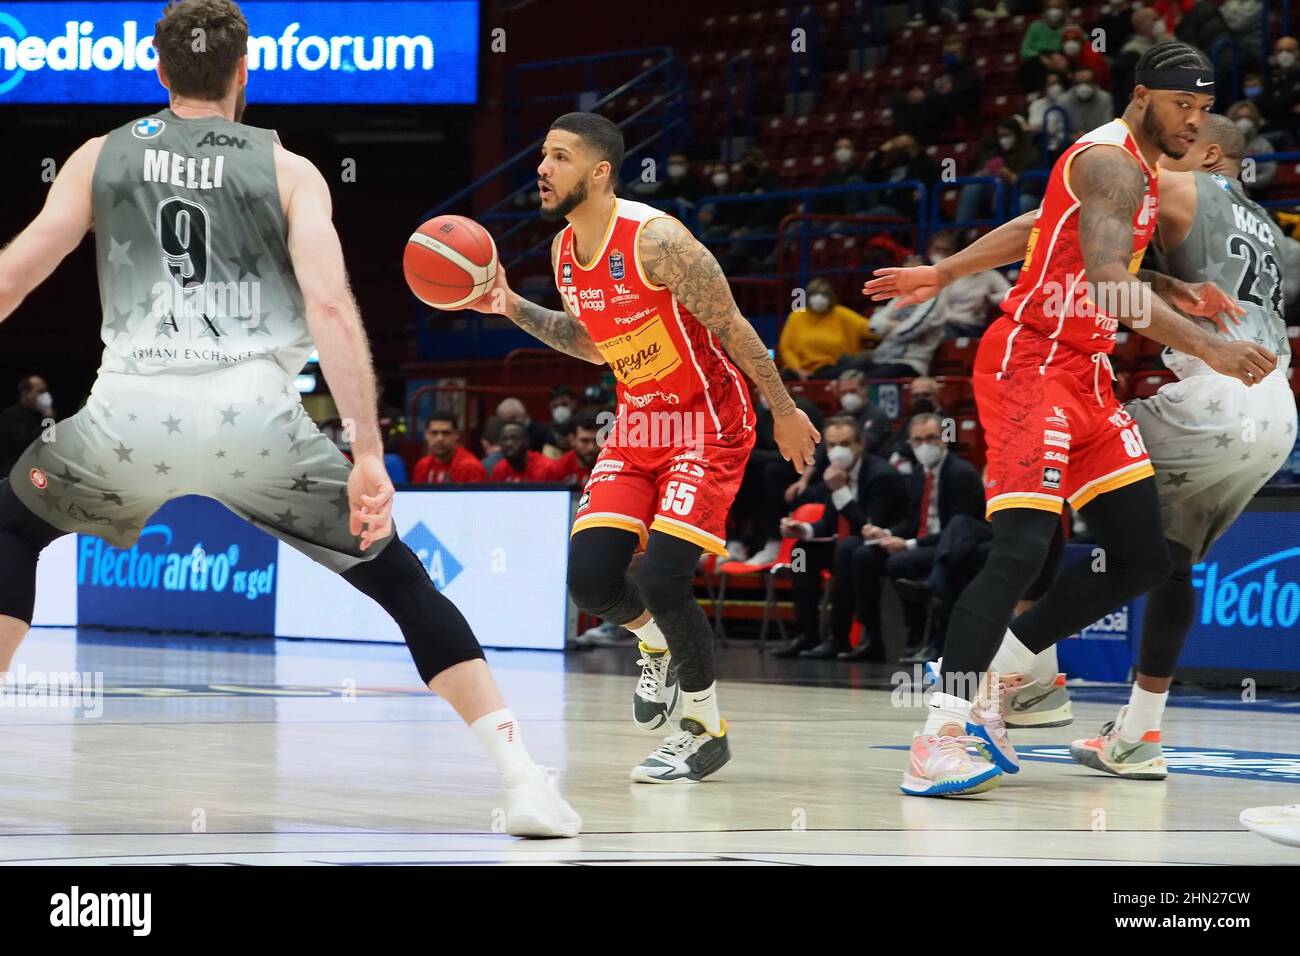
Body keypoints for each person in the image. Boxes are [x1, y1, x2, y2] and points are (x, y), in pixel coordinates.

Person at [0, 0, 578, 837]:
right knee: (399, 580)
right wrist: (370, 452)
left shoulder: (98, 157)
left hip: (127, 421)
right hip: (258, 429)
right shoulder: (291, 170)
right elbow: (331, 311)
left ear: (158, 73)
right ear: (245, 74)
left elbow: (15, 277)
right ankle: (523, 778)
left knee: (13, 532)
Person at [864, 42, 1275, 798]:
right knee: (1018, 550)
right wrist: (1209, 347)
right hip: (1030, 363)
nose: (1192, 120)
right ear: (1142, 94)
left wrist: (947, 270)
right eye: (1181, 105)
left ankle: (1007, 675)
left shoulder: (1134, 172)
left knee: (1144, 557)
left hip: (1085, 373)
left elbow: (1039, 225)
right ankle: (939, 733)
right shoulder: (1114, 162)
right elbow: (1109, 282)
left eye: (1201, 109)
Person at [463, 111, 820, 783]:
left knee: (661, 576)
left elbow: (734, 326)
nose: (541, 168)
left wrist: (785, 408)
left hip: (707, 423)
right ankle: (653, 642)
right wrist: (509, 305)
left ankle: (704, 727)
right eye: (542, 154)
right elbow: (593, 344)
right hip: (637, 425)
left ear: (599, 171)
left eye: (559, 157)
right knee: (590, 577)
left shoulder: (658, 240)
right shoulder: (564, 253)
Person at [1060, 115, 1295, 778]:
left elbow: (1091, 199)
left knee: (1046, 454)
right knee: (1170, 562)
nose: (1168, 139)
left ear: (1211, 153)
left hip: (1218, 390)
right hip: (1276, 408)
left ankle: (1020, 666)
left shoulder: (1185, 185)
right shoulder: (1273, 231)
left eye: (1185, 135)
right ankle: (1138, 735)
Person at [771, 416, 909, 661]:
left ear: (860, 444)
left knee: (850, 551)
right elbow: (828, 523)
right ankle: (808, 633)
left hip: (883, 544)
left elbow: (867, 526)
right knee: (802, 552)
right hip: (848, 546)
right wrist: (803, 530)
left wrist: (840, 490)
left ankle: (847, 636)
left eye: (845, 443)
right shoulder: (834, 473)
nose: (838, 451)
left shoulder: (881, 475)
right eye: (832, 445)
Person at [852, 413, 985, 664]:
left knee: (899, 563)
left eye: (931, 438)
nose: (925, 445)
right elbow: (913, 522)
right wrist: (888, 534)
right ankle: (874, 637)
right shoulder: (917, 474)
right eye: (918, 440)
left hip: (953, 546)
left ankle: (922, 633)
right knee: (862, 555)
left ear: (944, 440)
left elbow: (961, 530)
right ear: (910, 444)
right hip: (923, 543)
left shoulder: (961, 474)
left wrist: (909, 544)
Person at [856, 233, 957, 379]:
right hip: (882, 358)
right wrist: (889, 325)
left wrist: (890, 329)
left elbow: (910, 329)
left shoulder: (935, 296)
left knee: (868, 380)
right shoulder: (901, 294)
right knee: (842, 372)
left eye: (910, 274)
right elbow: (873, 324)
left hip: (910, 362)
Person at [777, 278, 877, 379]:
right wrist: (798, 370)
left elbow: (869, 328)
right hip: (805, 371)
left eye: (824, 294)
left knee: (865, 365)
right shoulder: (796, 317)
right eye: (815, 294)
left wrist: (889, 326)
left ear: (831, 297)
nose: (819, 298)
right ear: (808, 297)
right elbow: (786, 349)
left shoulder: (841, 314)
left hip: (835, 367)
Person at [411, 412, 487, 484]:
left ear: (456, 435)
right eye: (434, 433)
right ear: (426, 435)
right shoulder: (422, 466)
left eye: (446, 433)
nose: (440, 439)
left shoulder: (470, 467)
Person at [0, 376, 53, 477]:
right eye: (40, 391)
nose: (45, 395)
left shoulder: (41, 416)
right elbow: (28, 444)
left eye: (45, 391)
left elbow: (50, 442)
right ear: (25, 393)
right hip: (12, 477)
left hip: (37, 475)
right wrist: (48, 418)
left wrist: (49, 419)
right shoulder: (11, 415)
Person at [1225, 100, 1277, 194]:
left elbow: (1268, 172)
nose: (1244, 121)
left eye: (1248, 118)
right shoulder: (1222, 144)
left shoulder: (1263, 145)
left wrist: (1247, 183)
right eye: (1240, 118)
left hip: (1254, 193)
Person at [1060, 67, 1116, 143]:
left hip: (1098, 142)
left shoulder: (1105, 98)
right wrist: (1071, 137)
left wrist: (1091, 137)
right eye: (1079, 83)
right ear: (1073, 84)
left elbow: (1107, 125)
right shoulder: (1063, 101)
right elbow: (1059, 130)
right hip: (1070, 144)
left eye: (1088, 82)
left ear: (1095, 83)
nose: (1084, 86)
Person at [491, 422, 559, 482]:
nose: (509, 443)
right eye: (504, 439)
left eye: (514, 438)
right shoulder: (500, 469)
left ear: (527, 442)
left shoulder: (546, 468)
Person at [548, 413, 600, 486]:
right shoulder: (559, 468)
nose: (591, 447)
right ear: (572, 440)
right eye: (584, 441)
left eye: (596, 441)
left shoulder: (609, 465)